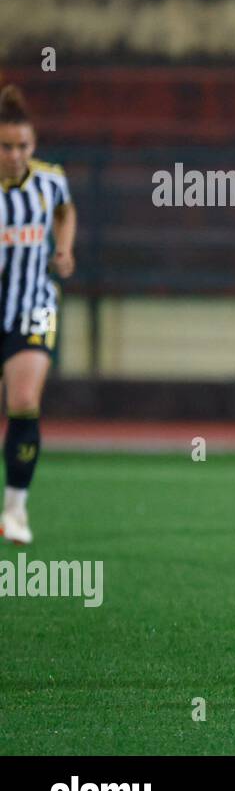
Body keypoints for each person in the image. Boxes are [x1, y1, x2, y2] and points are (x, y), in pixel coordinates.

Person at [0, 86, 76, 546]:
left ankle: (15, 509)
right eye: (6, 147)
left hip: (33, 307)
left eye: (23, 146)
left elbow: (65, 213)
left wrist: (63, 248)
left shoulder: (50, 180)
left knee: (24, 400)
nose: (15, 155)